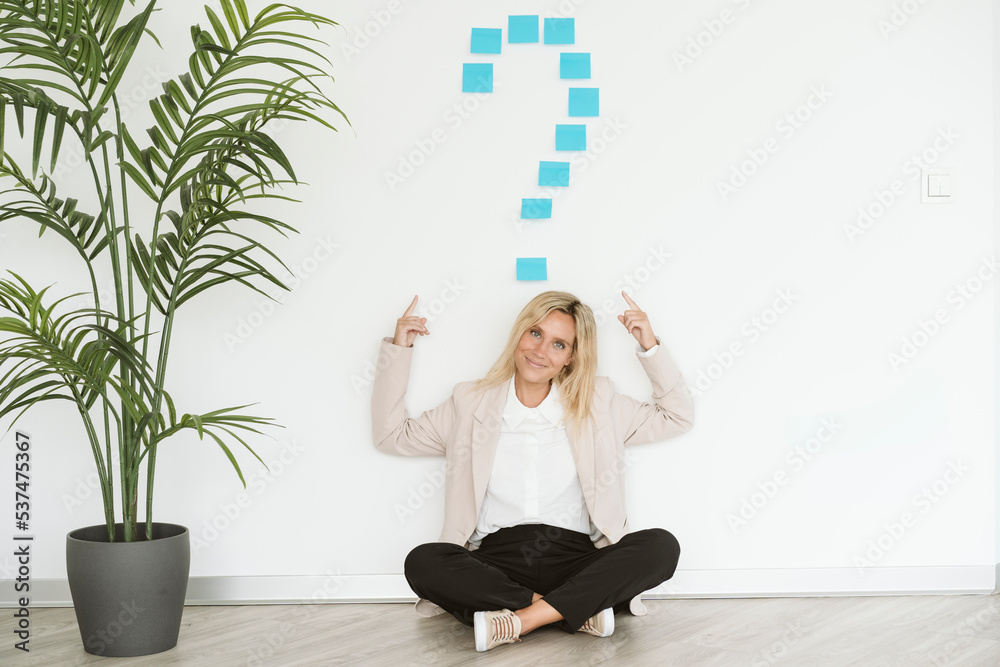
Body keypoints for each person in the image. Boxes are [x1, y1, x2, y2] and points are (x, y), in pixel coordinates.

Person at [370, 290, 694, 652]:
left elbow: (677, 416)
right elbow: (391, 436)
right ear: (519, 334)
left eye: (559, 344)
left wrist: (649, 345)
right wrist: (399, 350)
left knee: (661, 546)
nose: (540, 351)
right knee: (423, 562)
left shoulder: (599, 402)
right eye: (535, 334)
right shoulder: (469, 401)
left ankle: (520, 618)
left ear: (571, 358)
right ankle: (574, 609)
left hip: (578, 558)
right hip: (496, 562)